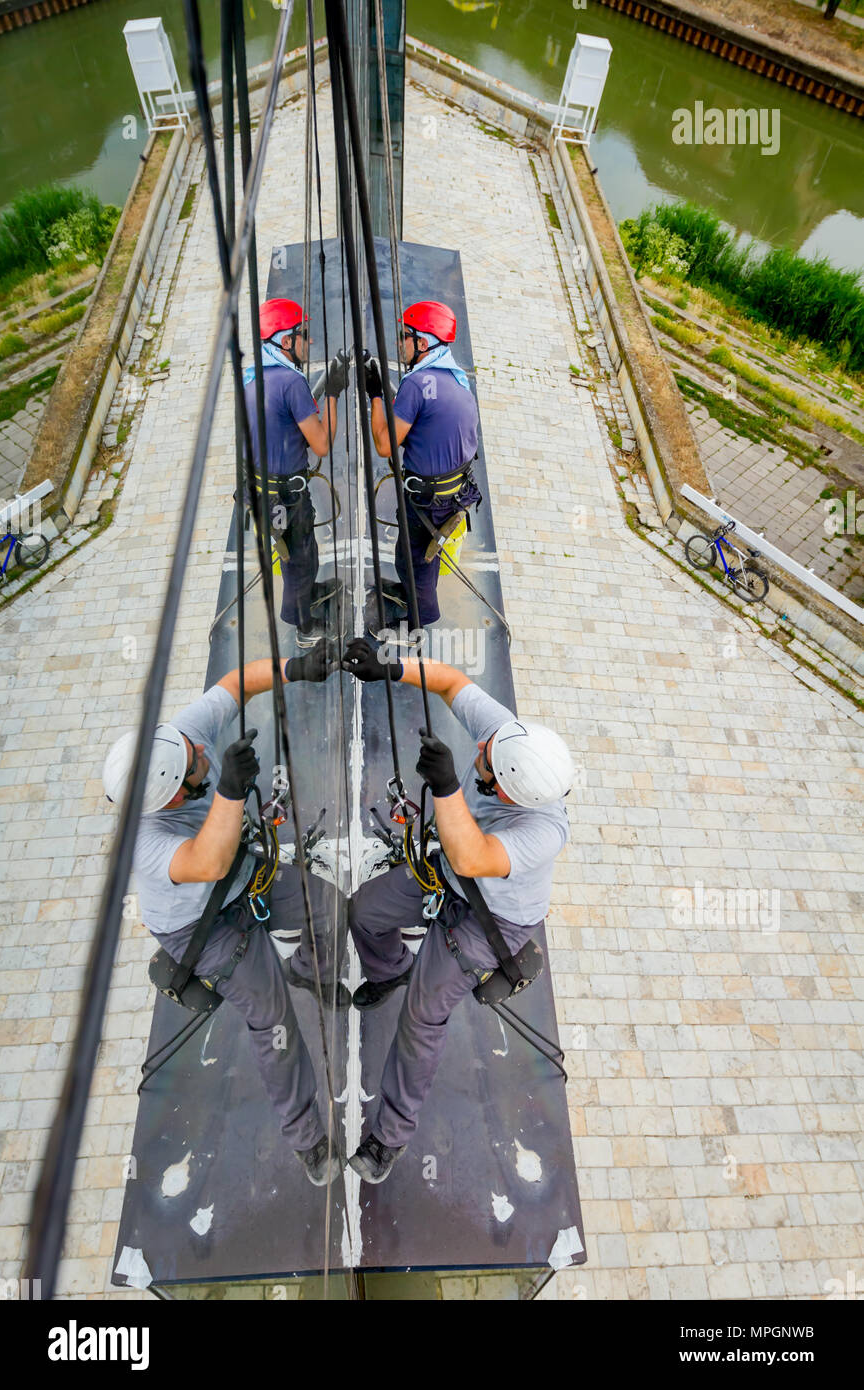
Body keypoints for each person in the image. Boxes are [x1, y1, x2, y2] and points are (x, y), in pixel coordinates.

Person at [102, 640, 346, 1186]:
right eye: (198, 765)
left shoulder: (172, 744)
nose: (203, 754)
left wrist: (295, 669)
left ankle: (309, 965)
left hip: (241, 871)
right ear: (170, 796)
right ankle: (308, 1138)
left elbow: (232, 687)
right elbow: (206, 863)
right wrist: (230, 792)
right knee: (273, 1021)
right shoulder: (147, 840)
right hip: (203, 928)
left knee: (327, 906)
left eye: (195, 748)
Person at [340, 638, 574, 1183]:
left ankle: (389, 1137)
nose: (479, 755)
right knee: (363, 912)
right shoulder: (511, 742)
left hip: (489, 923)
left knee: (422, 1017)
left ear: (512, 793)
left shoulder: (543, 829)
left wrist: (447, 790)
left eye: (483, 767)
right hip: (449, 874)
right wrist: (390, 668)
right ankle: (390, 968)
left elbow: (475, 856)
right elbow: (448, 680)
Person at [365, 300, 480, 627]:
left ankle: (420, 616)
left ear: (423, 343)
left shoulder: (417, 384)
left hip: (428, 501)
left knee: (413, 561)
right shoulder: (457, 379)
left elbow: (385, 444)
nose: (399, 343)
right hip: (455, 492)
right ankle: (414, 596)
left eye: (404, 336)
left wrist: (375, 394)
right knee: (423, 555)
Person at [244, 298, 349, 647]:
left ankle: (302, 598)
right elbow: (320, 444)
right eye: (304, 334)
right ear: (285, 341)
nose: (310, 342)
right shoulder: (291, 383)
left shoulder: (251, 376)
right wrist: (333, 394)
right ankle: (304, 627)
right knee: (302, 556)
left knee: (288, 549)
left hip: (259, 488)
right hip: (287, 491)